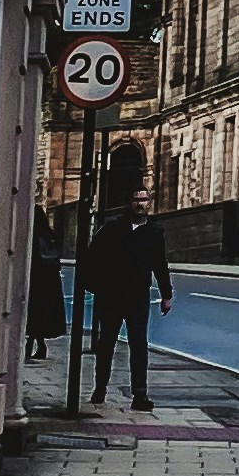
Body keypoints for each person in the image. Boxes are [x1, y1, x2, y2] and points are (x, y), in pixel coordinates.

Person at [79, 144, 175, 411]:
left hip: (138, 297)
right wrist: (94, 285)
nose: (140, 204)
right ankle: (100, 388)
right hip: (110, 295)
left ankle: (140, 394)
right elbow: (91, 257)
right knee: (106, 344)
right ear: (129, 203)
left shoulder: (155, 233)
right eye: (136, 199)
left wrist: (166, 294)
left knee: (139, 345)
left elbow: (160, 264)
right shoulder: (112, 228)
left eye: (144, 200)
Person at [25, 200, 67, 362]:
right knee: (41, 314)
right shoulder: (50, 235)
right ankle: (36, 345)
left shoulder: (32, 236)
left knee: (34, 313)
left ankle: (31, 345)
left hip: (36, 280)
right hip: (50, 282)